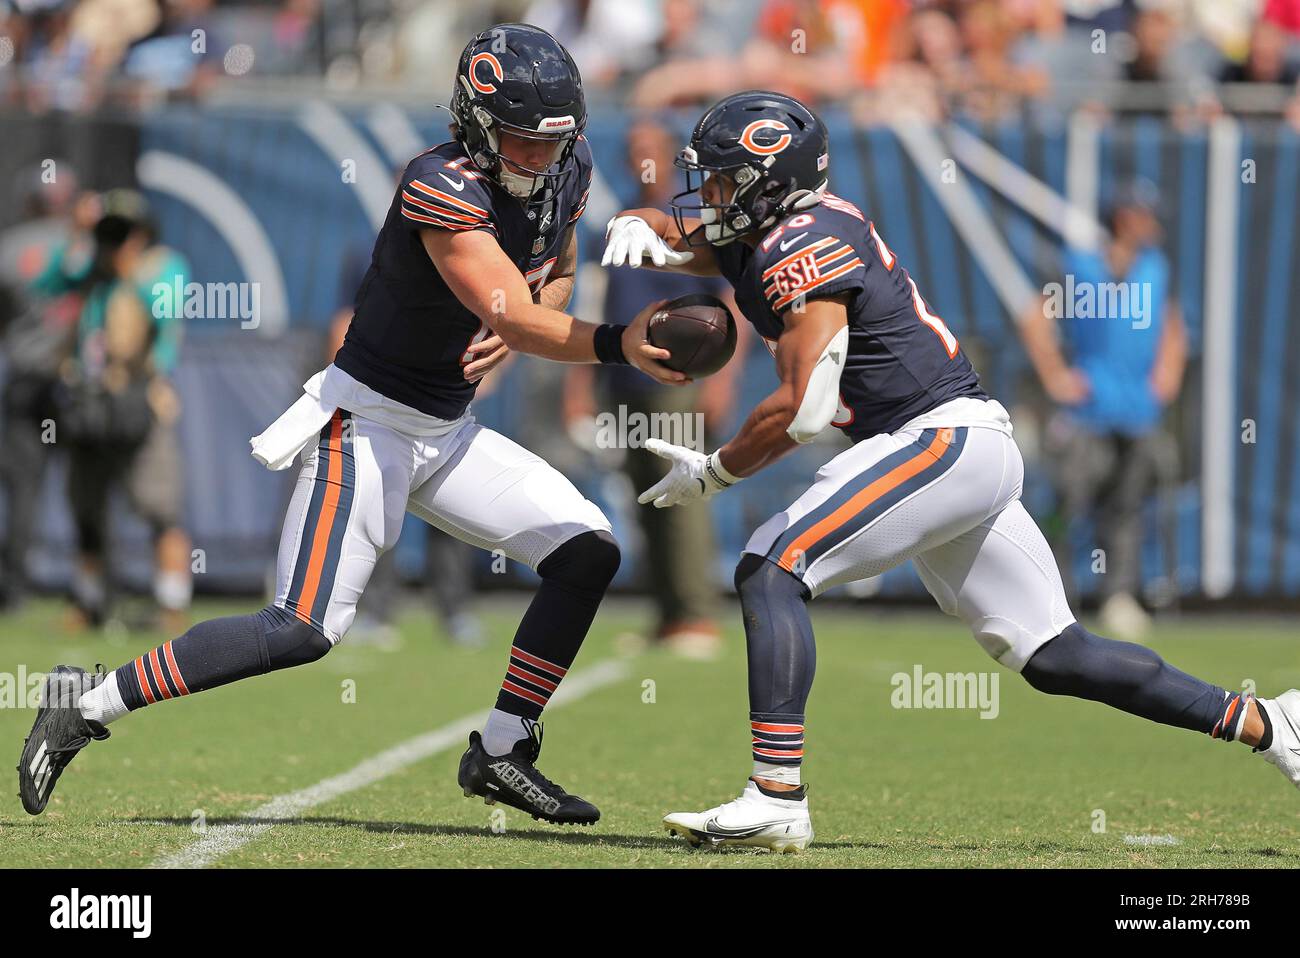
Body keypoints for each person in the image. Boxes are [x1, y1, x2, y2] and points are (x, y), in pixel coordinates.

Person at [600, 91, 1300, 852]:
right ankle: (1271, 723)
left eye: (727, 182)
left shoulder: (802, 245)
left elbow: (805, 410)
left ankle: (777, 795)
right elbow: (706, 238)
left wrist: (715, 472)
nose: (710, 197)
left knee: (772, 566)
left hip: (938, 440)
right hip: (957, 447)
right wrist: (647, 225)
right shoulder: (782, 222)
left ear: (773, 184)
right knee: (1057, 655)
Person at [19, 23, 681, 825]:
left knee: (588, 551)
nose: (539, 158)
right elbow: (508, 306)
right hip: (367, 427)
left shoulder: (562, 168)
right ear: (475, 123)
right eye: (520, 140)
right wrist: (617, 345)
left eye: (551, 142)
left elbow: (555, 279)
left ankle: (502, 750)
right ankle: (84, 706)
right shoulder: (441, 185)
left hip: (446, 430)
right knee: (300, 629)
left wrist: (523, 333)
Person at [568, 117, 741, 658]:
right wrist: (580, 382)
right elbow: (593, 308)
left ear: (670, 156)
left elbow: (733, 301)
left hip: (676, 378)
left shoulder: (692, 224)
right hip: (621, 374)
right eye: (636, 149)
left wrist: (724, 379)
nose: (644, 160)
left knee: (684, 490)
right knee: (646, 496)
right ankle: (667, 615)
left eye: (653, 150)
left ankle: (696, 616)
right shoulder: (614, 226)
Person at [1020, 180, 1186, 641]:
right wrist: (1056, 376)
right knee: (1067, 504)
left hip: (1137, 412)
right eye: (1144, 214)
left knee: (1127, 508)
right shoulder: (1081, 266)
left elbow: (1172, 326)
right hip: (1089, 410)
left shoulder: (1156, 268)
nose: (1153, 223)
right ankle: (1051, 597)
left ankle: (1118, 596)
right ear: (1124, 217)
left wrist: (1165, 378)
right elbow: (1036, 317)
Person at [48, 189, 193, 632]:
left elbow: (166, 314)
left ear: (144, 234)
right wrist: (78, 237)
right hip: (91, 403)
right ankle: (89, 603)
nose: (114, 243)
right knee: (86, 506)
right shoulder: (92, 270)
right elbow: (50, 282)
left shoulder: (162, 267)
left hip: (140, 402)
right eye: (108, 234)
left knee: (159, 506)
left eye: (123, 233)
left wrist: (131, 272)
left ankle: (171, 605)